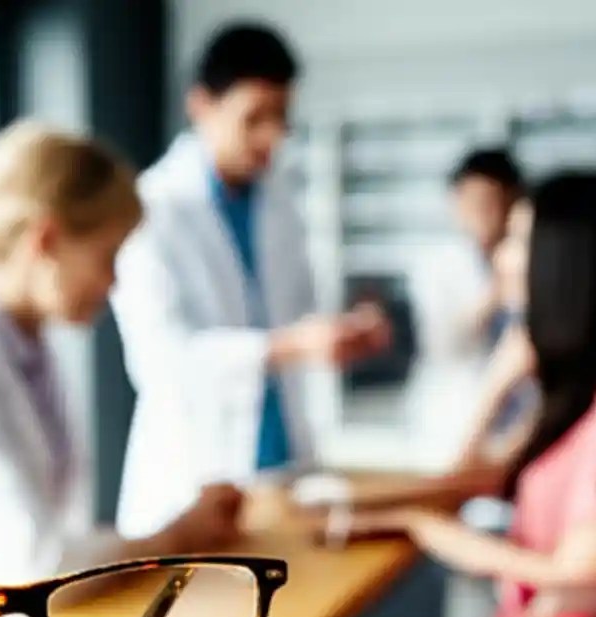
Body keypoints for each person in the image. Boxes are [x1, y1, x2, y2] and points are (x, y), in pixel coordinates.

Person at [0, 121, 244, 604]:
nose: (112, 283)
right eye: (107, 257)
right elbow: (33, 568)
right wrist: (174, 538)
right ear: (47, 240)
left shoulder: (27, 347)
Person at [357, 171, 596, 617]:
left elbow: (578, 576)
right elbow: (477, 478)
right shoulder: (590, 386)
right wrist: (496, 385)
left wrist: (428, 529)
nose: (502, 259)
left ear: (569, 262)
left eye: (519, 241)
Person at [112, 23, 390, 537]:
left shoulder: (278, 200)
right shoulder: (153, 207)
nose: (271, 137)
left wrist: (341, 332)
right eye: (253, 118)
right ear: (201, 105)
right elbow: (161, 361)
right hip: (193, 477)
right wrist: (287, 346)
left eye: (280, 117)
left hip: (284, 467)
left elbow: (299, 310)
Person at [409, 149, 535, 467]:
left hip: (519, 422)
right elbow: (444, 345)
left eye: (491, 202)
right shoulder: (439, 266)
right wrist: (496, 291)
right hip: (454, 419)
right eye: (470, 201)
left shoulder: (533, 257)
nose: (480, 213)